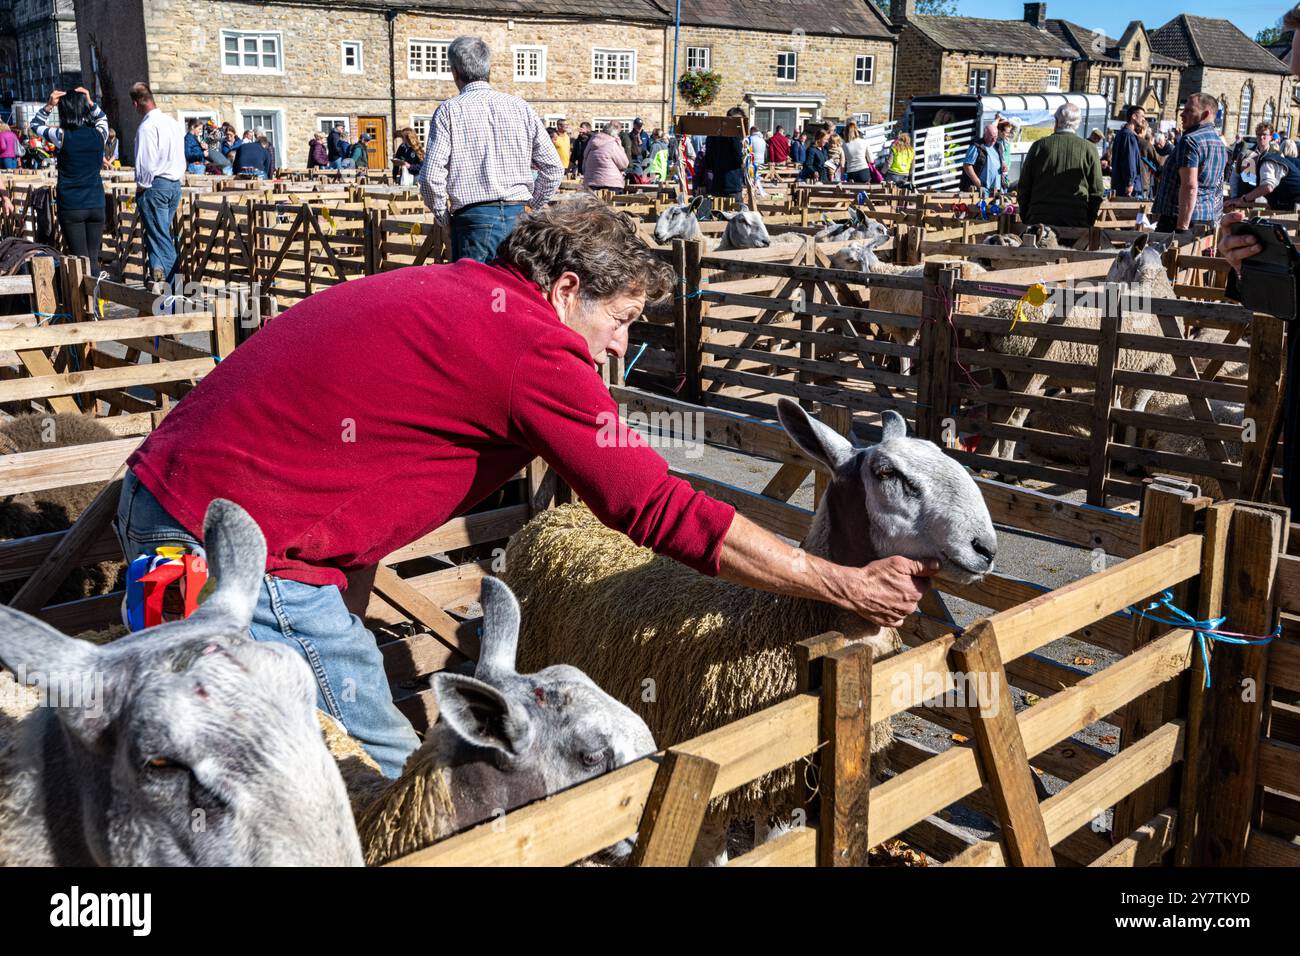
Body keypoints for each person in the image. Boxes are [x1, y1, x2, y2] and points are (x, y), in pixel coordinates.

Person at [115, 194, 937, 776]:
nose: (618, 350)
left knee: (254, 761)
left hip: (181, 505)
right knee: (391, 777)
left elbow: (356, 456)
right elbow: (653, 504)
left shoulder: (465, 295)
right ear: (567, 291)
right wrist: (836, 580)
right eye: (619, 321)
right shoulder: (534, 348)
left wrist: (343, 583)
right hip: (231, 546)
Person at [419, 35, 563, 262]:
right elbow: (554, 168)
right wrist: (531, 206)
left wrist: (443, 217)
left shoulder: (449, 110)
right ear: (489, 69)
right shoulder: (520, 107)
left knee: (479, 294)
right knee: (514, 291)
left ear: (455, 72)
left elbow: (430, 177)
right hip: (518, 216)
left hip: (474, 218)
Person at [31, 87, 110, 263]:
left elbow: (35, 126)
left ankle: (82, 291)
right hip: (96, 203)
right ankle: (96, 290)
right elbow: (102, 118)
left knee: (80, 260)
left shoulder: (62, 135)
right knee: (93, 258)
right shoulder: (100, 134)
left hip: (72, 204)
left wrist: (49, 106)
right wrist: (90, 101)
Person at [130, 82, 185, 288]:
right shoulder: (171, 123)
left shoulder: (146, 127)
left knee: (160, 237)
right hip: (174, 184)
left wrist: (141, 188)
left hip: (155, 185)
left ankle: (174, 287)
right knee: (156, 232)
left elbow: (145, 163)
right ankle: (158, 275)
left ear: (136, 104)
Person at [1016, 103, 1104, 227]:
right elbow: (1097, 191)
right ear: (1077, 124)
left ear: (1056, 121)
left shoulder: (1039, 146)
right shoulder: (1089, 149)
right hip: (1076, 220)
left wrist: (1027, 215)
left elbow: (1024, 186)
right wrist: (1089, 219)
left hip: (1039, 219)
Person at [1151, 92, 1228, 233]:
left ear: (1205, 115)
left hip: (1179, 219)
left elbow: (1190, 186)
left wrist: (1182, 227)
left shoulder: (1190, 141)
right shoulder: (1220, 144)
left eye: (1189, 110)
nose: (1182, 114)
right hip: (1206, 217)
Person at [705, 106, 746, 201]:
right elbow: (738, 156)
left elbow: (708, 161)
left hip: (716, 182)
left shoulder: (712, 135)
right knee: (735, 213)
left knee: (716, 212)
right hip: (732, 182)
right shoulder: (734, 134)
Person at [582, 121, 629, 191]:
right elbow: (624, 164)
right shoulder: (612, 144)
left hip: (590, 182)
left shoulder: (591, 142)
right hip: (611, 183)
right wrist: (620, 145)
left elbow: (584, 160)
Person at [1110, 106, 1146, 198]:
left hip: (1120, 184)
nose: (1144, 119)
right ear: (1134, 116)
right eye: (1142, 116)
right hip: (1129, 188)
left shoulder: (1121, 134)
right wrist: (1130, 183)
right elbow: (1129, 160)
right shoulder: (1128, 136)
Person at [960, 124, 1000, 196]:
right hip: (980, 190)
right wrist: (977, 182)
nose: (994, 140)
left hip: (994, 190)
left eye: (996, 137)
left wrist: (1003, 164)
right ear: (985, 135)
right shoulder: (976, 146)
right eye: (992, 137)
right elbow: (967, 165)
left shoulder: (997, 146)